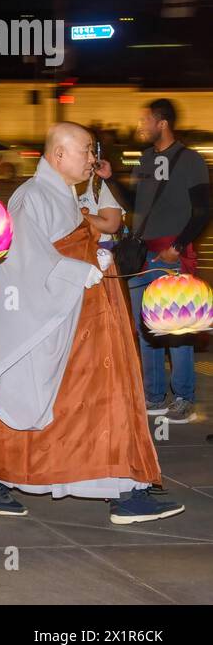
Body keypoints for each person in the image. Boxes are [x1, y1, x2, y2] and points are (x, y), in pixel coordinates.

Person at [0, 123, 182, 525]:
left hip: (81, 317)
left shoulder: (65, 194)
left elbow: (78, 240)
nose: (92, 158)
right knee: (26, 393)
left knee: (93, 401)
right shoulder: (31, 197)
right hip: (47, 320)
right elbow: (23, 258)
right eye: (85, 150)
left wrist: (92, 261)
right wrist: (73, 270)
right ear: (59, 154)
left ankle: (122, 485)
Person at [118, 99, 209, 424]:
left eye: (146, 120)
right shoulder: (144, 159)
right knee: (146, 331)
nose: (141, 126)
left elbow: (202, 210)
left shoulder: (190, 160)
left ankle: (183, 398)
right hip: (142, 257)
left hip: (169, 256)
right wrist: (110, 177)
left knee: (176, 331)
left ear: (162, 123)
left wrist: (179, 245)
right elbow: (135, 204)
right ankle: (154, 396)